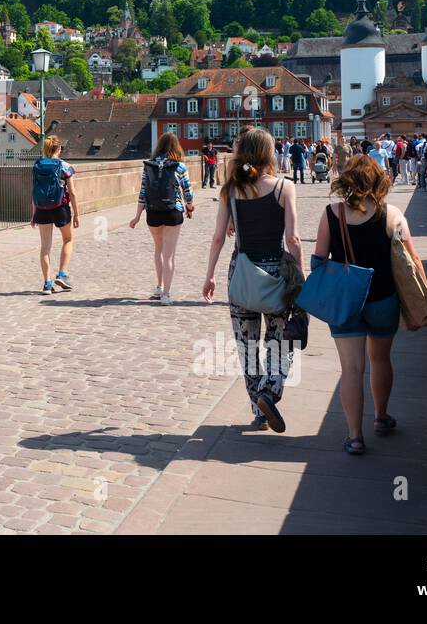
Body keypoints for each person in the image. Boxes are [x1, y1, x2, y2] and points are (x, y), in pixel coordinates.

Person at [314, 155, 420, 455]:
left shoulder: (331, 213)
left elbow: (319, 259)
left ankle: (355, 436)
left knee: (351, 369)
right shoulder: (392, 214)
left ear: (346, 181)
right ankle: (381, 417)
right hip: (383, 298)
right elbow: (412, 260)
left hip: (345, 302)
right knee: (381, 360)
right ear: (378, 180)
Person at [202, 127, 301, 433]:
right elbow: (293, 238)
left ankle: (258, 408)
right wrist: (301, 276)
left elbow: (219, 237)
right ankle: (270, 392)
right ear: (269, 153)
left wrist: (210, 276)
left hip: (242, 274)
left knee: (247, 345)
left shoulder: (231, 189)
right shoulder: (285, 187)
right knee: (281, 339)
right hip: (276, 277)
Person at [129, 132, 194, 305]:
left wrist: (136, 216)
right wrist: (189, 207)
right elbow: (188, 191)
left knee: (158, 250)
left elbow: (143, 192)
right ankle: (166, 294)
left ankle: (159, 287)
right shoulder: (179, 166)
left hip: (153, 212)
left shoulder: (149, 165)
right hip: (173, 211)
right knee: (169, 255)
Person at [31, 135, 79, 294]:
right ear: (59, 149)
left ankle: (47, 284)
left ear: (45, 149)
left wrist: (33, 214)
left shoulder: (37, 165)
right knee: (68, 239)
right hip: (60, 207)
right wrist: (77, 214)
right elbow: (72, 193)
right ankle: (62, 274)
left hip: (42, 209)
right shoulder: (65, 166)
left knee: (45, 247)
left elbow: (34, 191)